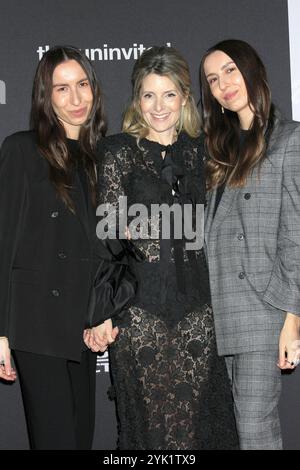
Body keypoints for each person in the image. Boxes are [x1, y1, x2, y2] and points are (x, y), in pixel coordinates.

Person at [94, 45, 238, 450]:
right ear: (137, 99)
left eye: (169, 94)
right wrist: (103, 311)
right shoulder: (117, 152)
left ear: (185, 97)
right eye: (149, 95)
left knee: (199, 434)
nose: (159, 106)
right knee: (150, 436)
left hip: (199, 312)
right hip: (140, 317)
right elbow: (108, 241)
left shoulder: (205, 151)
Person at [0, 45, 116, 450]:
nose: (76, 98)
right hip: (35, 325)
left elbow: (106, 251)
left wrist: (102, 313)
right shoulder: (21, 149)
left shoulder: (101, 159)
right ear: (45, 98)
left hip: (80, 329)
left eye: (82, 84)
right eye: (61, 88)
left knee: (80, 438)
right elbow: (2, 242)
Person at [200, 39, 300, 450]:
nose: (223, 83)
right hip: (215, 312)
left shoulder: (289, 140)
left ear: (251, 69)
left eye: (229, 70)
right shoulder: (216, 150)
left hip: (262, 311)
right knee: (231, 432)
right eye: (212, 79)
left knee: (255, 431)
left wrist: (292, 319)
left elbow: (296, 236)